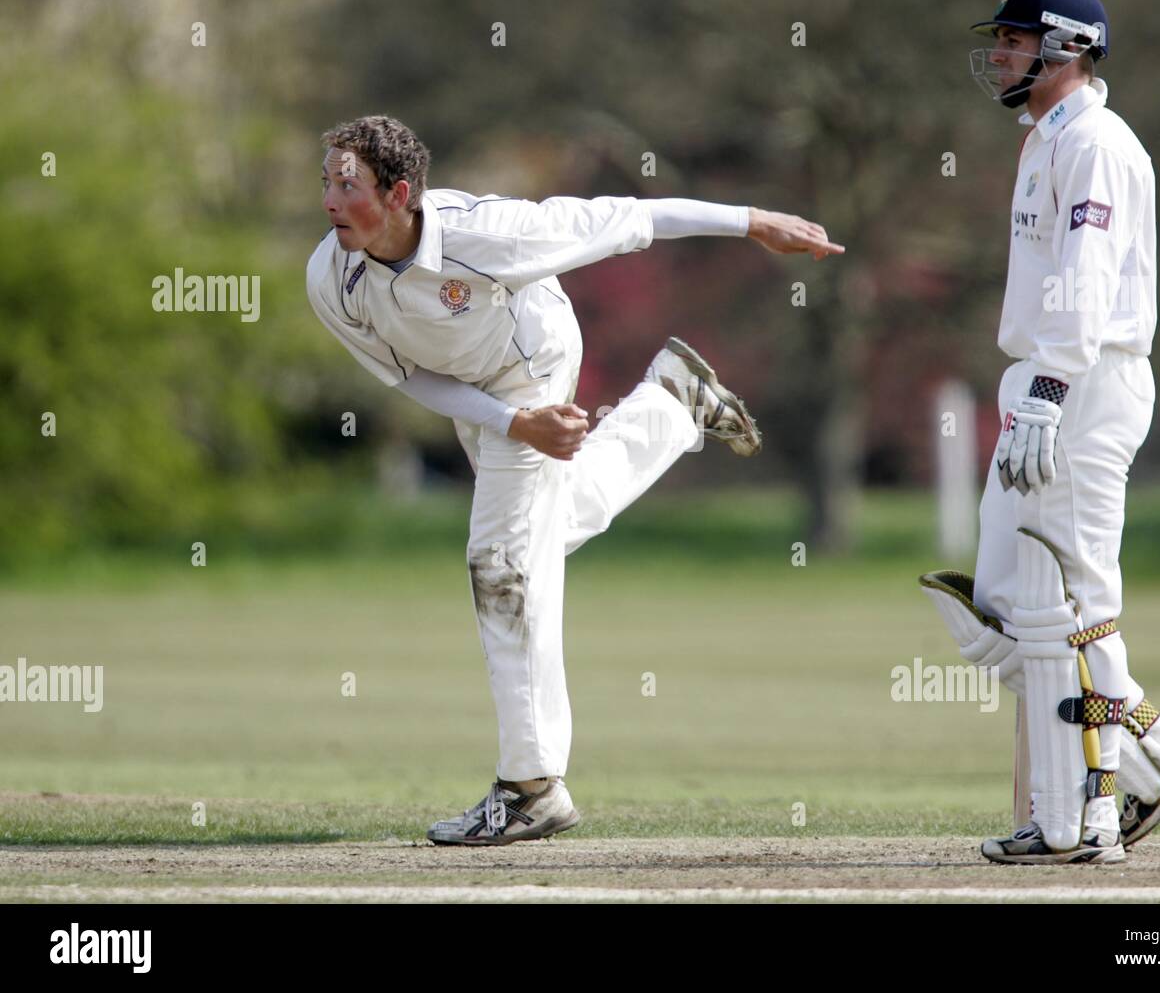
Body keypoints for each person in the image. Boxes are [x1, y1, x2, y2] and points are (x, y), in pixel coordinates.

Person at [308, 115, 844, 845]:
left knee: (499, 561)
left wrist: (754, 222)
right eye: (327, 182)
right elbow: (413, 377)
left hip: (535, 363)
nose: (331, 199)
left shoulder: (491, 234)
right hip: (477, 389)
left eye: (349, 184)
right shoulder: (332, 277)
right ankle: (670, 402)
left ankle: (530, 785)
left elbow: (628, 220)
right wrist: (509, 425)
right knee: (540, 536)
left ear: (400, 193)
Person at [920, 0, 1160, 864]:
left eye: (1015, 39)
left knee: (1081, 604)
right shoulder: (1045, 140)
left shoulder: (1099, 144)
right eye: (1002, 40)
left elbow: (1085, 276)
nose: (1001, 53)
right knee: (1006, 606)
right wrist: (1035, 387)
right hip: (1043, 382)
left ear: (1067, 49)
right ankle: (1147, 749)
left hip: (1084, 382)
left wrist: (1049, 388)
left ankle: (1092, 812)